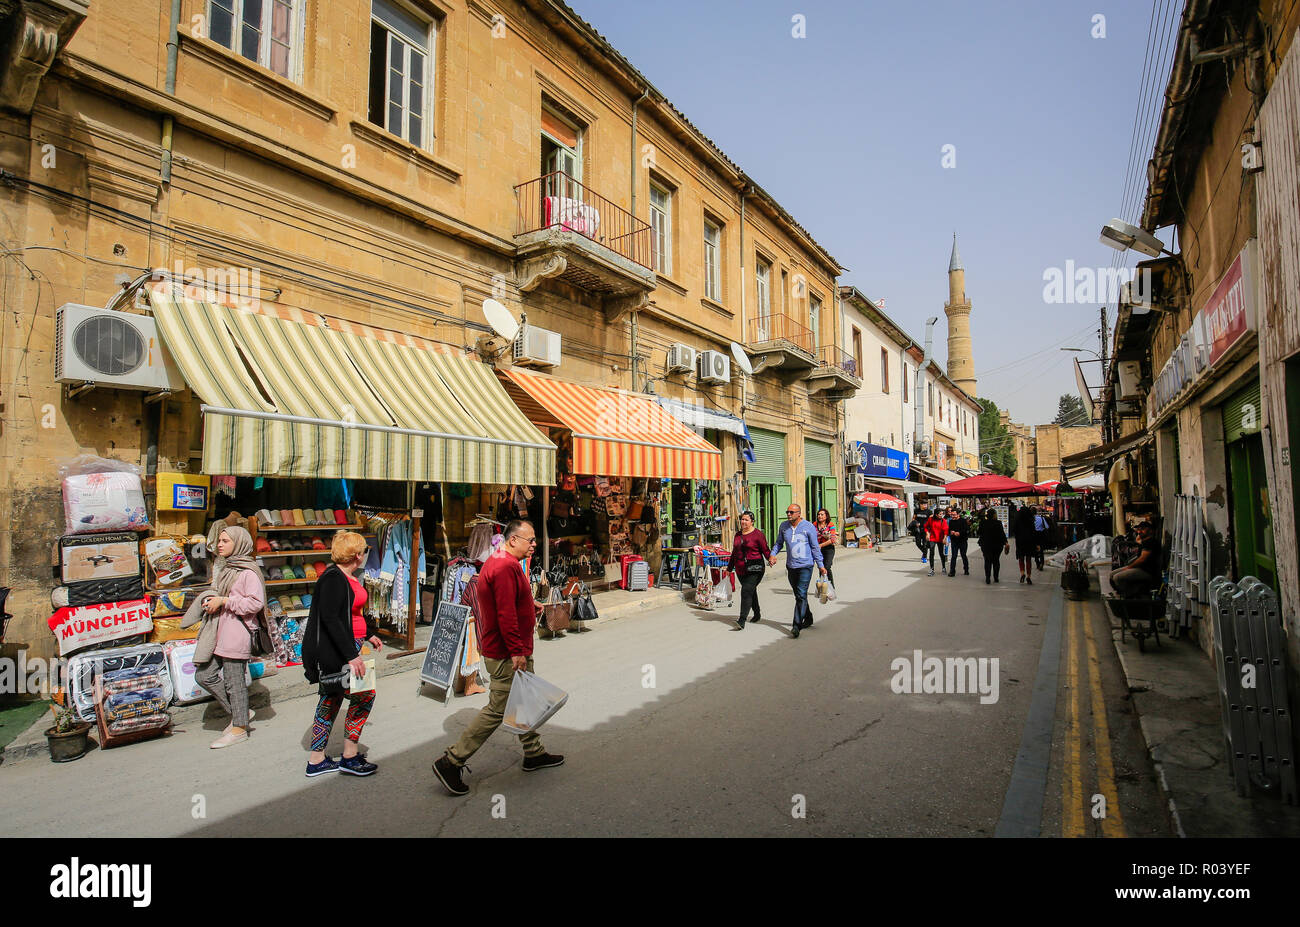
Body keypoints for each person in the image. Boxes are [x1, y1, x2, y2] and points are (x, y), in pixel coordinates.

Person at [433, 520, 563, 796]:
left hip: (507, 647)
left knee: (523, 699)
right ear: (513, 540)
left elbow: (507, 602)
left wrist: (530, 604)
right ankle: (452, 760)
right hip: (506, 652)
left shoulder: (501, 562)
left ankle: (534, 752)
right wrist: (517, 651)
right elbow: (505, 614)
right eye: (530, 540)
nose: (534, 544)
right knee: (498, 708)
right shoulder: (504, 567)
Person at [300, 530, 383, 777]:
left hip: (350, 645)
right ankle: (348, 755)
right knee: (364, 696)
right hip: (341, 650)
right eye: (365, 550)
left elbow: (351, 613)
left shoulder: (344, 577)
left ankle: (317, 759)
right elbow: (331, 619)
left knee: (331, 699)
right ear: (357, 554)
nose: (366, 554)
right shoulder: (334, 578)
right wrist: (351, 654)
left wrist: (368, 633)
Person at [195, 525, 266, 749]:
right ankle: (241, 713)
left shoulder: (248, 571)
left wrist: (224, 601)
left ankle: (239, 729)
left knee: (234, 682)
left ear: (239, 543)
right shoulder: (228, 568)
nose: (219, 544)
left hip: (237, 633)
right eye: (219, 541)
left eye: (225, 541)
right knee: (204, 675)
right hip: (220, 632)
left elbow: (255, 603)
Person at [769, 503, 827, 639]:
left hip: (806, 566)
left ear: (799, 513)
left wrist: (821, 565)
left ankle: (796, 626)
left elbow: (815, 547)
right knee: (799, 595)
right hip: (791, 566)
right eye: (787, 512)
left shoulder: (808, 527)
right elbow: (778, 543)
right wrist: (773, 554)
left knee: (801, 594)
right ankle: (809, 617)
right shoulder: (784, 526)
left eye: (791, 512)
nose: (788, 514)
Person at [727, 510, 771, 630]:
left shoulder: (758, 534)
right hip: (741, 569)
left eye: (746, 520)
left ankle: (742, 620)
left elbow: (765, 549)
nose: (743, 522)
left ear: (752, 521)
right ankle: (757, 614)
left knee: (746, 591)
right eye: (742, 519)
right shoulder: (738, 535)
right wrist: (729, 568)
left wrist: (770, 558)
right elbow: (734, 552)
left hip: (755, 569)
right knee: (750, 591)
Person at [1110, 521, 1162, 597]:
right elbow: (1138, 541)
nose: (1139, 531)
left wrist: (1129, 567)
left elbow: (1142, 559)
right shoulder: (1145, 541)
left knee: (1117, 577)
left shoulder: (1151, 542)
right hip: (1140, 568)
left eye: (1142, 529)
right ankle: (1121, 594)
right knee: (1112, 574)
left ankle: (1127, 596)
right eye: (1138, 529)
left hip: (1146, 571)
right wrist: (1139, 536)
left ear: (1150, 530)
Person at [977, 505, 1010, 583]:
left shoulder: (983, 523)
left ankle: (988, 578)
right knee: (996, 561)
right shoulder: (998, 523)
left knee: (987, 561)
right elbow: (1002, 534)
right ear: (994, 515)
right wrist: (1006, 542)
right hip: (997, 545)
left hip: (986, 544)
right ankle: (996, 577)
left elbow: (979, 533)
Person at [1013, 504, 1040, 584]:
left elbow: (1014, 530)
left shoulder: (1018, 520)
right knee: (1028, 559)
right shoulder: (1030, 520)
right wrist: (1037, 544)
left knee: (1021, 558)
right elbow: (1034, 533)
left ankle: (1022, 573)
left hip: (1020, 541)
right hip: (1029, 541)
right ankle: (1028, 575)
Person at [813, 508, 838, 587]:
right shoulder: (814, 524)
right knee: (821, 567)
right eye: (818, 514)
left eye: (822, 514)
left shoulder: (830, 524)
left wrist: (820, 545)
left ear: (826, 516)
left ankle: (831, 587)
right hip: (818, 550)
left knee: (827, 566)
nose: (819, 516)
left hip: (829, 549)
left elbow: (832, 540)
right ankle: (822, 587)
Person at [924, 510, 949, 577]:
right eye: (940, 514)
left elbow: (946, 530)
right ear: (936, 514)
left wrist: (945, 538)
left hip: (940, 539)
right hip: (932, 538)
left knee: (941, 553)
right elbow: (925, 527)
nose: (941, 515)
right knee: (931, 553)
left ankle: (943, 567)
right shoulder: (930, 519)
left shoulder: (943, 521)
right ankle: (932, 569)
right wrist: (927, 534)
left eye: (942, 514)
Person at [947, 506, 970, 577]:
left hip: (962, 541)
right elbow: (949, 530)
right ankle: (952, 571)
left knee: (963, 555)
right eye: (951, 515)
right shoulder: (951, 521)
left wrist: (959, 533)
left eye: (954, 515)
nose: (952, 516)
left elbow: (966, 530)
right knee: (954, 556)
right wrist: (951, 532)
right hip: (954, 541)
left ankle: (966, 569)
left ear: (958, 515)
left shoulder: (963, 521)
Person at [1033, 506, 1050, 570]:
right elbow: (1047, 527)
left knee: (1035, 550)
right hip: (1041, 535)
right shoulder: (1042, 518)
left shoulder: (1031, 519)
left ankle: (1037, 563)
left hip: (1034, 535)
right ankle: (1041, 563)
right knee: (1041, 550)